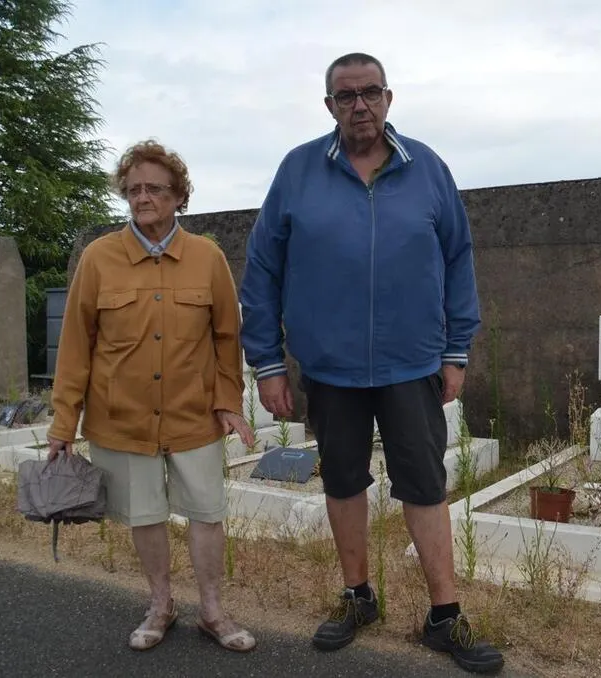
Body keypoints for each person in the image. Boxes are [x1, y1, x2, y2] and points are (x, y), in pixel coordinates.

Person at [239, 53, 504, 674]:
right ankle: (358, 597)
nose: (360, 105)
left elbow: (458, 259)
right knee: (343, 480)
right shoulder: (298, 171)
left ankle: (445, 615)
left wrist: (456, 349)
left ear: (389, 98)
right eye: (345, 95)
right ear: (328, 105)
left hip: (412, 364)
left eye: (371, 92)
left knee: (425, 484)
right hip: (329, 367)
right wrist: (267, 363)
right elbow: (263, 269)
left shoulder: (428, 169)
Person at [46, 140, 257, 654]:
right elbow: (76, 344)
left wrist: (228, 400)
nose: (143, 197)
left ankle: (211, 609)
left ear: (179, 196)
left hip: (193, 416)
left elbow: (228, 336)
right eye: (134, 188)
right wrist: (62, 424)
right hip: (122, 418)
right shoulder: (99, 258)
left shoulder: (207, 257)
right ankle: (161, 605)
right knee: (145, 515)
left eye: (155, 188)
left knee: (207, 513)